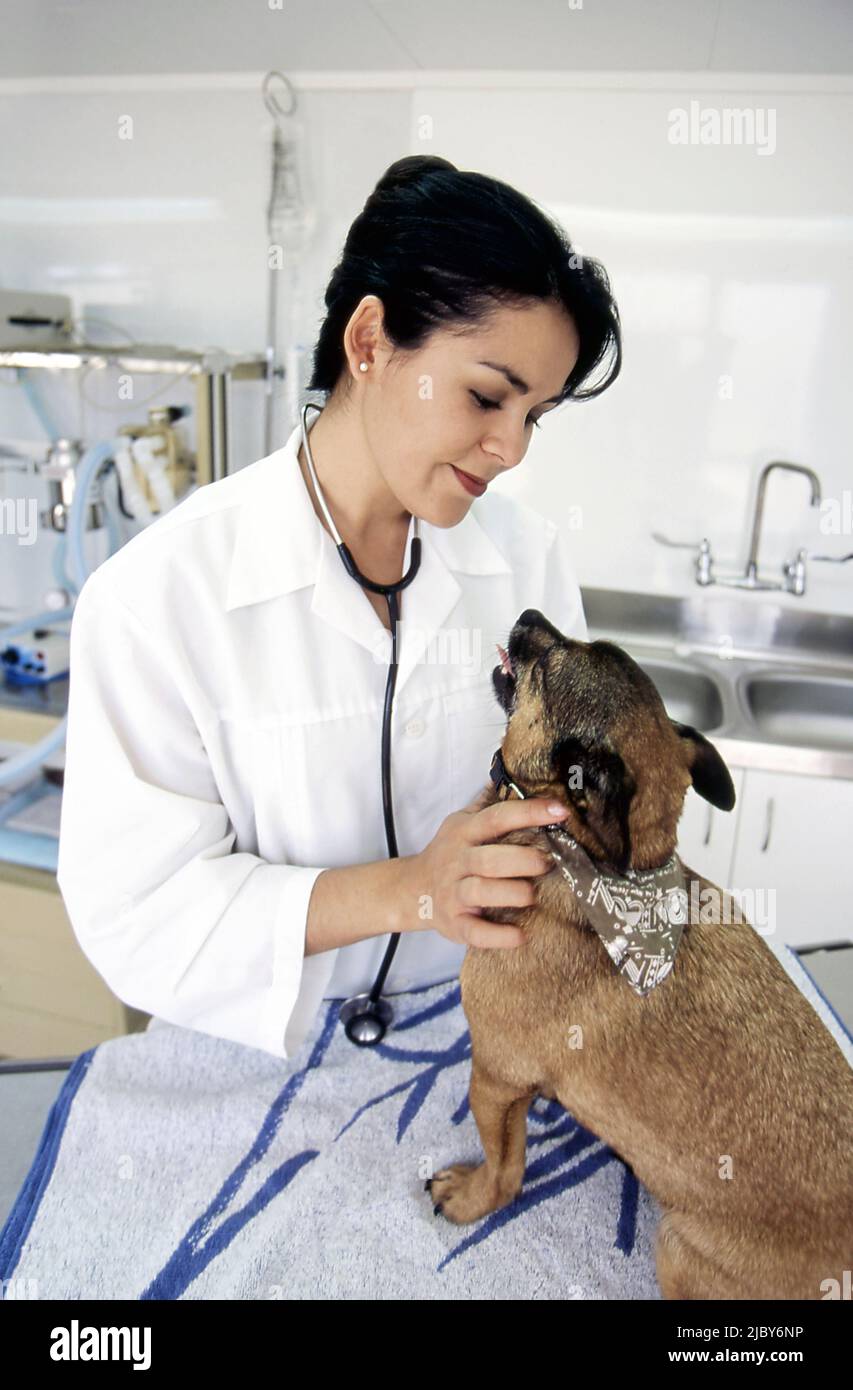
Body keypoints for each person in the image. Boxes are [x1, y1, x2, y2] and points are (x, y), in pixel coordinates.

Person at [56, 154, 621, 1060]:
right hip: (253, 1050)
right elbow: (140, 914)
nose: (509, 448)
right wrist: (413, 890)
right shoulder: (158, 598)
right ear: (369, 343)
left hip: (477, 1034)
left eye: (534, 416)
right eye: (486, 396)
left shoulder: (524, 562)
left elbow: (570, 801)